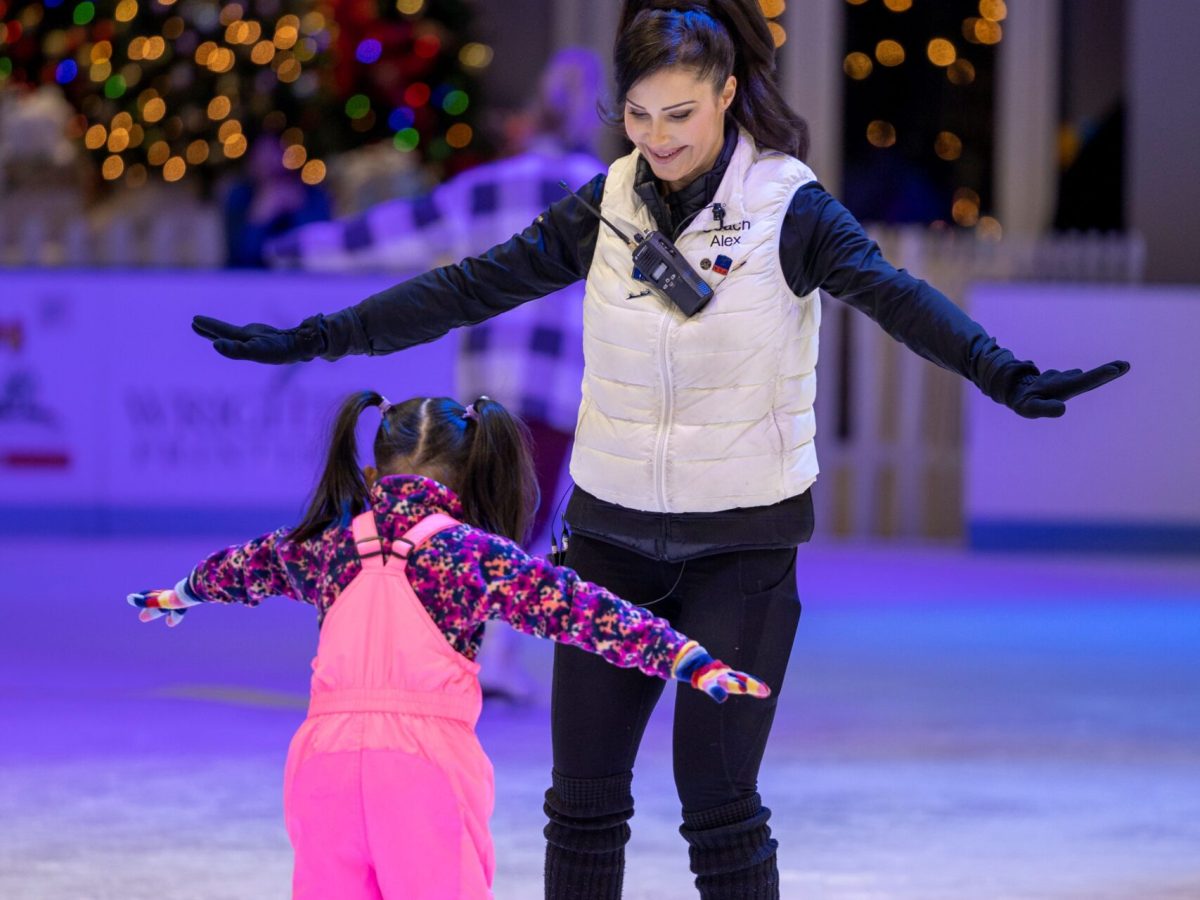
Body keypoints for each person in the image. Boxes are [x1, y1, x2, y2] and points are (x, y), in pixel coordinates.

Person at [188, 1, 1130, 896]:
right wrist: (319, 336)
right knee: (583, 807)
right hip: (609, 544)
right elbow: (469, 286)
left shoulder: (785, 206)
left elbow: (893, 295)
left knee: (719, 807)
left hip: (743, 553)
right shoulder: (606, 206)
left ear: (726, 93)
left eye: (680, 113)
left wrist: (1001, 371)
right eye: (638, 115)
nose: (659, 136)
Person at [126, 391, 770, 900]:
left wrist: (178, 594)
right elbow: (582, 610)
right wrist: (687, 658)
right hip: (421, 767)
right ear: (467, 476)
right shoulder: (468, 554)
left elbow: (245, 566)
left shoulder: (326, 544)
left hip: (319, 762)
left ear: (377, 467)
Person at [265, 47, 608, 702]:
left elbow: (385, 235)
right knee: (524, 524)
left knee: (479, 514)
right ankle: (486, 652)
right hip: (560, 385)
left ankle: (462, 646)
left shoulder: (485, 187)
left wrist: (290, 248)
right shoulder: (606, 192)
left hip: (488, 382)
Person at [223, 133, 331, 268]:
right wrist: (258, 220)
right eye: (262, 160)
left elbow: (324, 248)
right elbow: (238, 259)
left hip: (305, 279)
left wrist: (299, 210)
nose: (269, 166)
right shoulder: (239, 197)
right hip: (255, 282)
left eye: (275, 157)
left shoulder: (311, 195)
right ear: (250, 164)